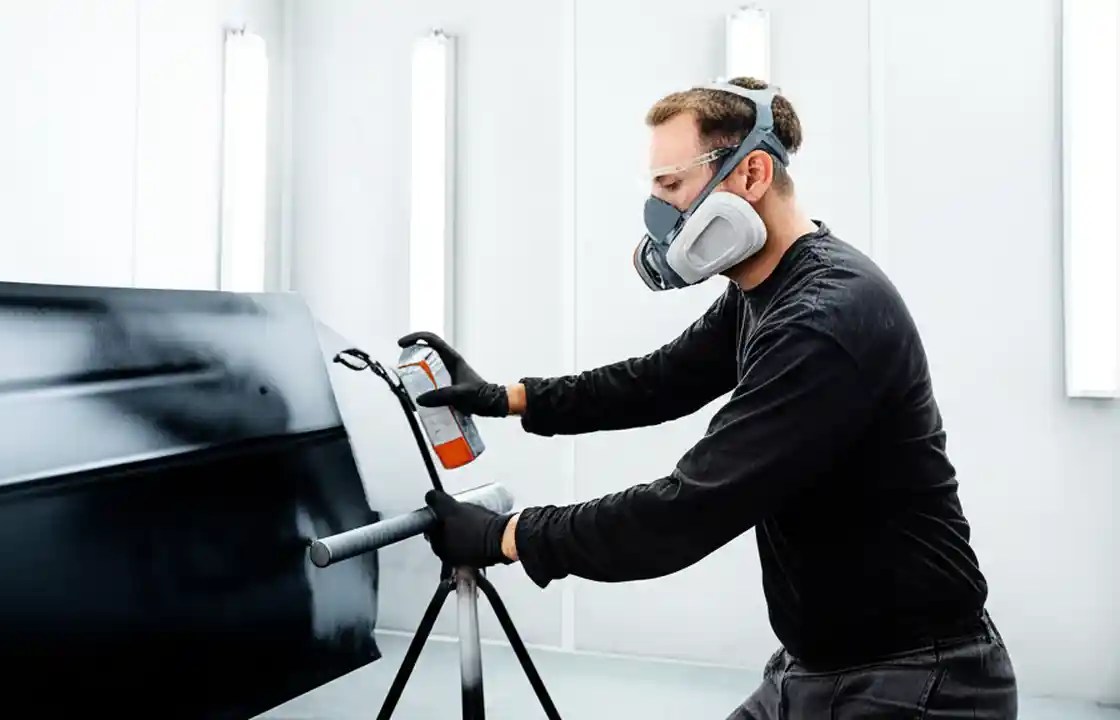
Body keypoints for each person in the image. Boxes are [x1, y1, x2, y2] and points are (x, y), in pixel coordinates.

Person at [397, 77, 1018, 718]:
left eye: (671, 186)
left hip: (915, 681)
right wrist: (508, 397)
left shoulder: (823, 318)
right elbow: (659, 380)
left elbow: (687, 512)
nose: (658, 213)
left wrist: (508, 535)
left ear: (751, 174)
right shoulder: (762, 290)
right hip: (816, 667)